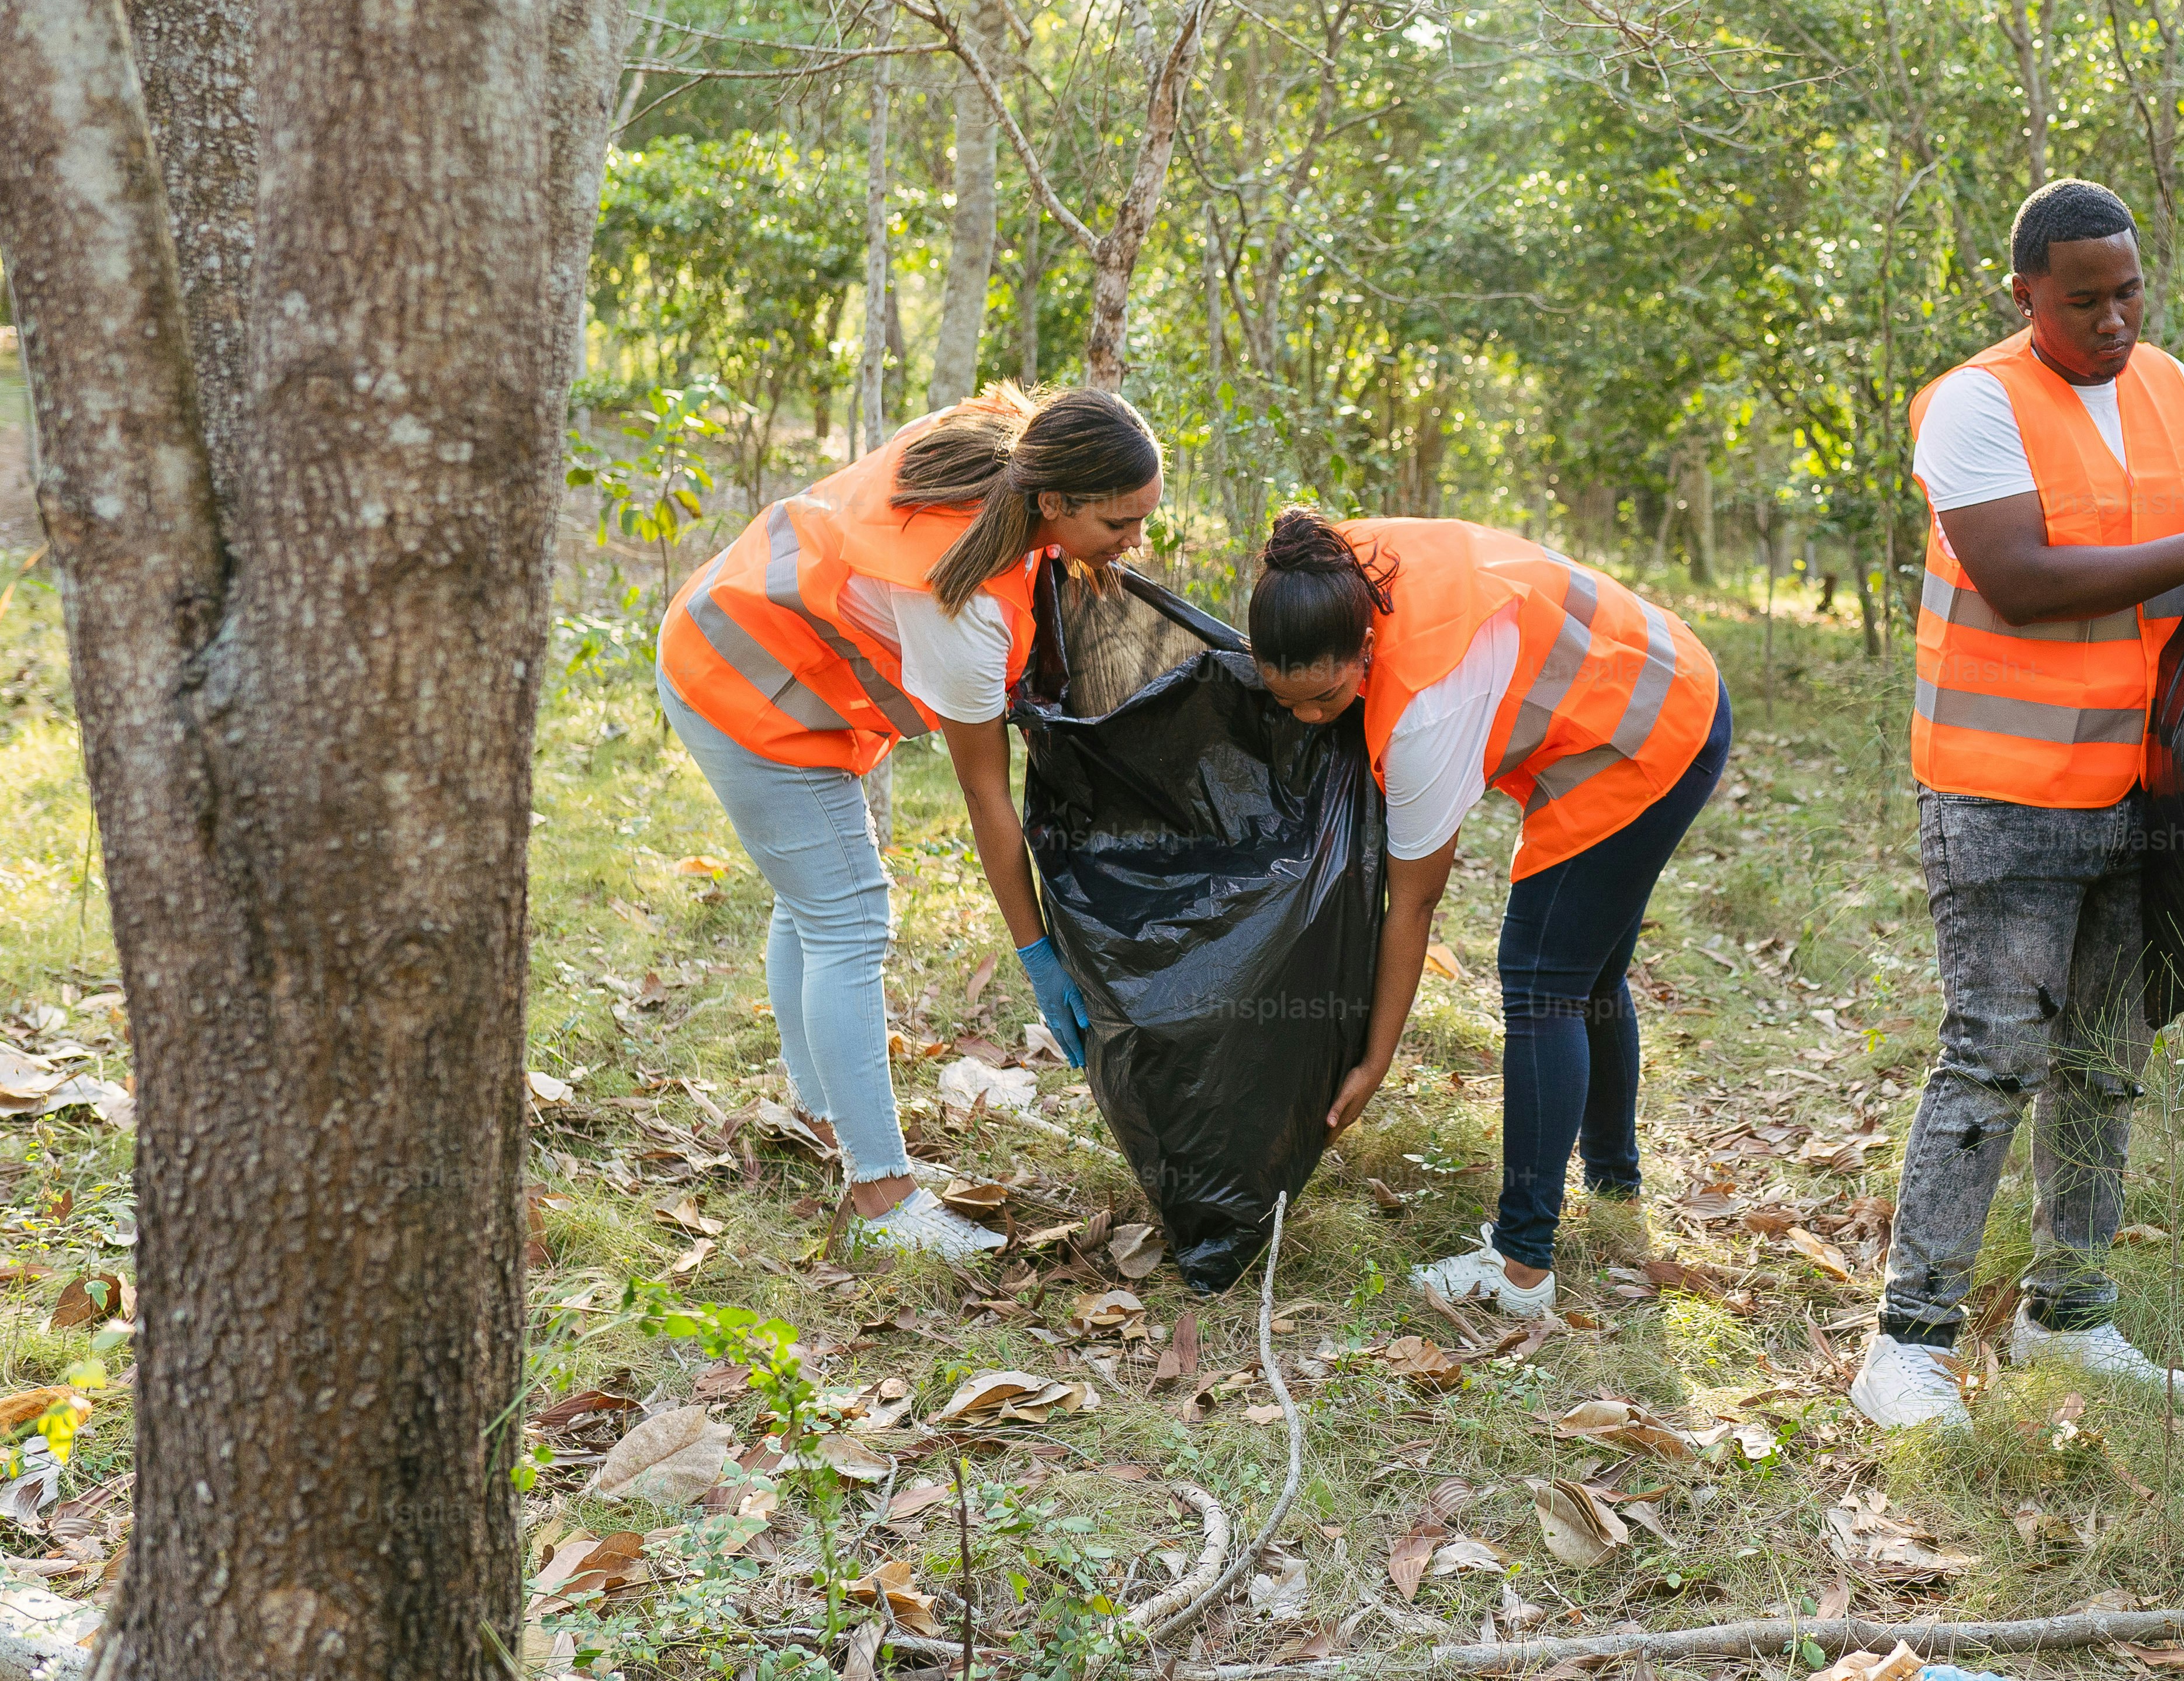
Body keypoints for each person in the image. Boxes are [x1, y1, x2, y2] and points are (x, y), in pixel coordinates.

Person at [1850, 179, 2184, 1432]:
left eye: (2128, 292)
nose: (2114, 318)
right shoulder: (1976, 401)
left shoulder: (2168, 385)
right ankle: (1908, 1339)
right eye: (2083, 299)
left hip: (2143, 788)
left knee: (2107, 1063)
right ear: (2024, 295)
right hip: (2004, 794)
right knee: (1994, 1054)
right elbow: (2016, 578)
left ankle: (2074, 1311)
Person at [656, 386, 1164, 1260]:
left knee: (809, 907)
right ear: (1055, 501)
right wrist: (1036, 952)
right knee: (848, 916)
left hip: (739, 631)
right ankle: (883, 1201)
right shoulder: (962, 609)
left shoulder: (1003, 437)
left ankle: (824, 1110)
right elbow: (985, 795)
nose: (1135, 542)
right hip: (741, 684)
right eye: (1121, 522)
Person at [1247, 509, 1729, 1317]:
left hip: (1648, 734)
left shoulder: (1426, 705)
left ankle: (1522, 1267)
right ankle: (1614, 1183)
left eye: (1326, 696)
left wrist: (1375, 1062)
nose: (1308, 717)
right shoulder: (1323, 571)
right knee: (1589, 966)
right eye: (1283, 700)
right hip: (1659, 674)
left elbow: (1416, 902)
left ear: (1364, 650)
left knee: (1542, 977)